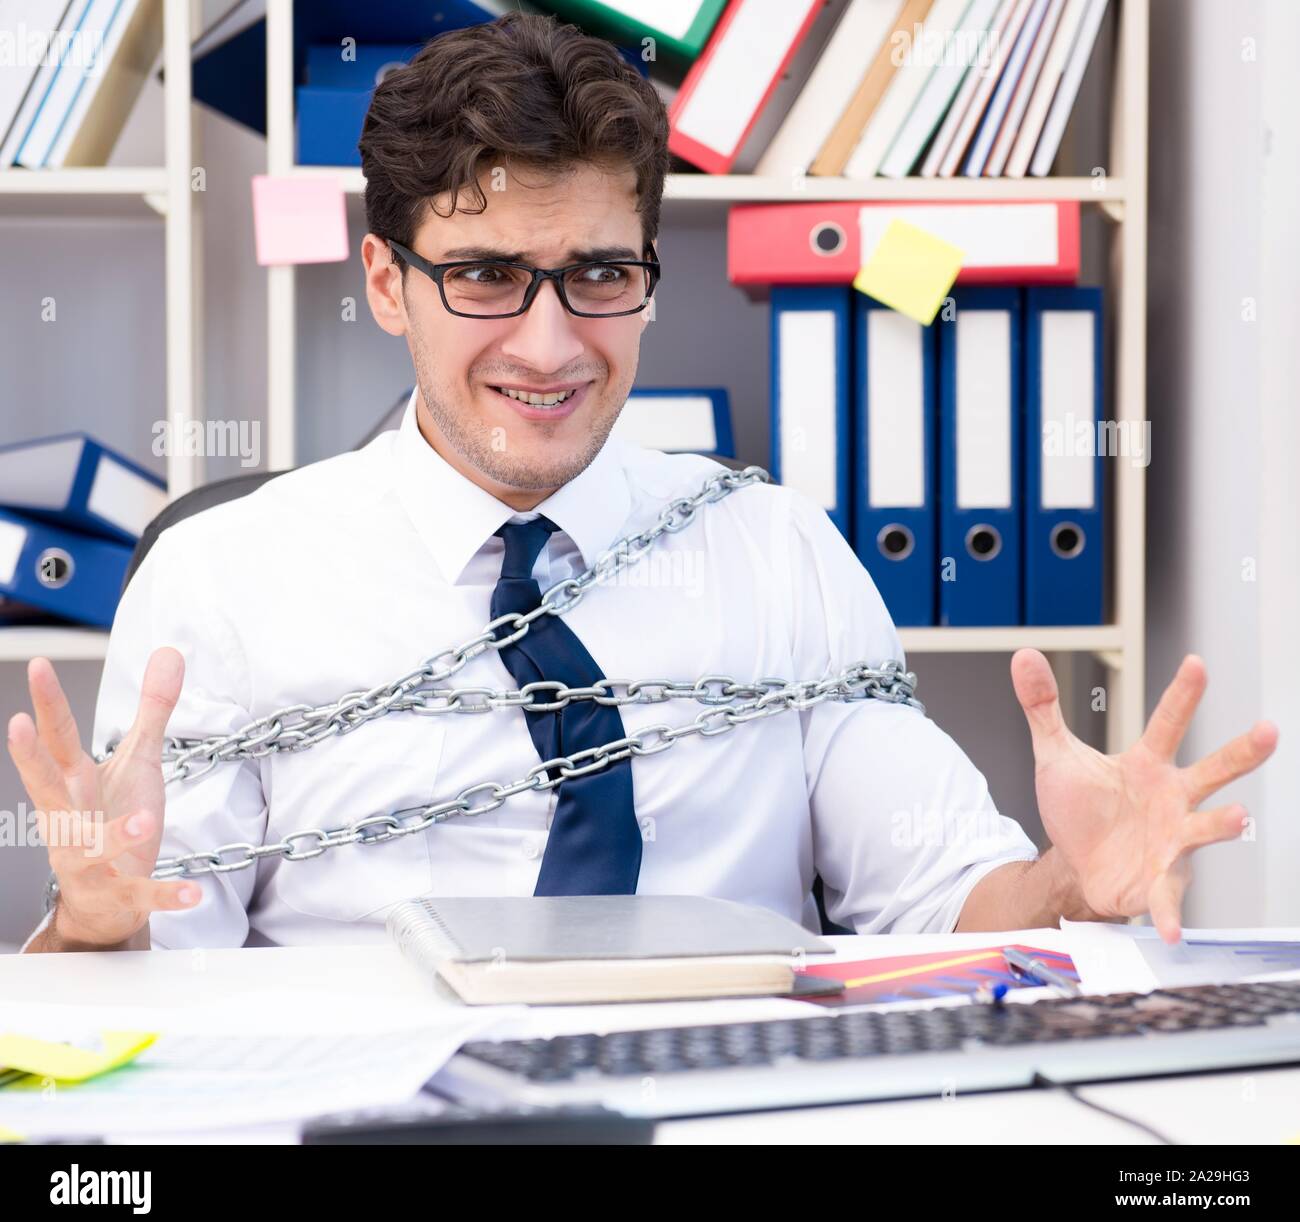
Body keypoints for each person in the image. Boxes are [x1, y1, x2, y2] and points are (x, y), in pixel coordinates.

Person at [9, 13, 1276, 954]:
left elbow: (945, 906)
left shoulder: (775, 549)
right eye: (489, 275)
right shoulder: (229, 580)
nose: (551, 345)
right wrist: (91, 922)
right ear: (388, 282)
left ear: (650, 274)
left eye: (601, 276)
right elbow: (156, 998)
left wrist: (1073, 881)